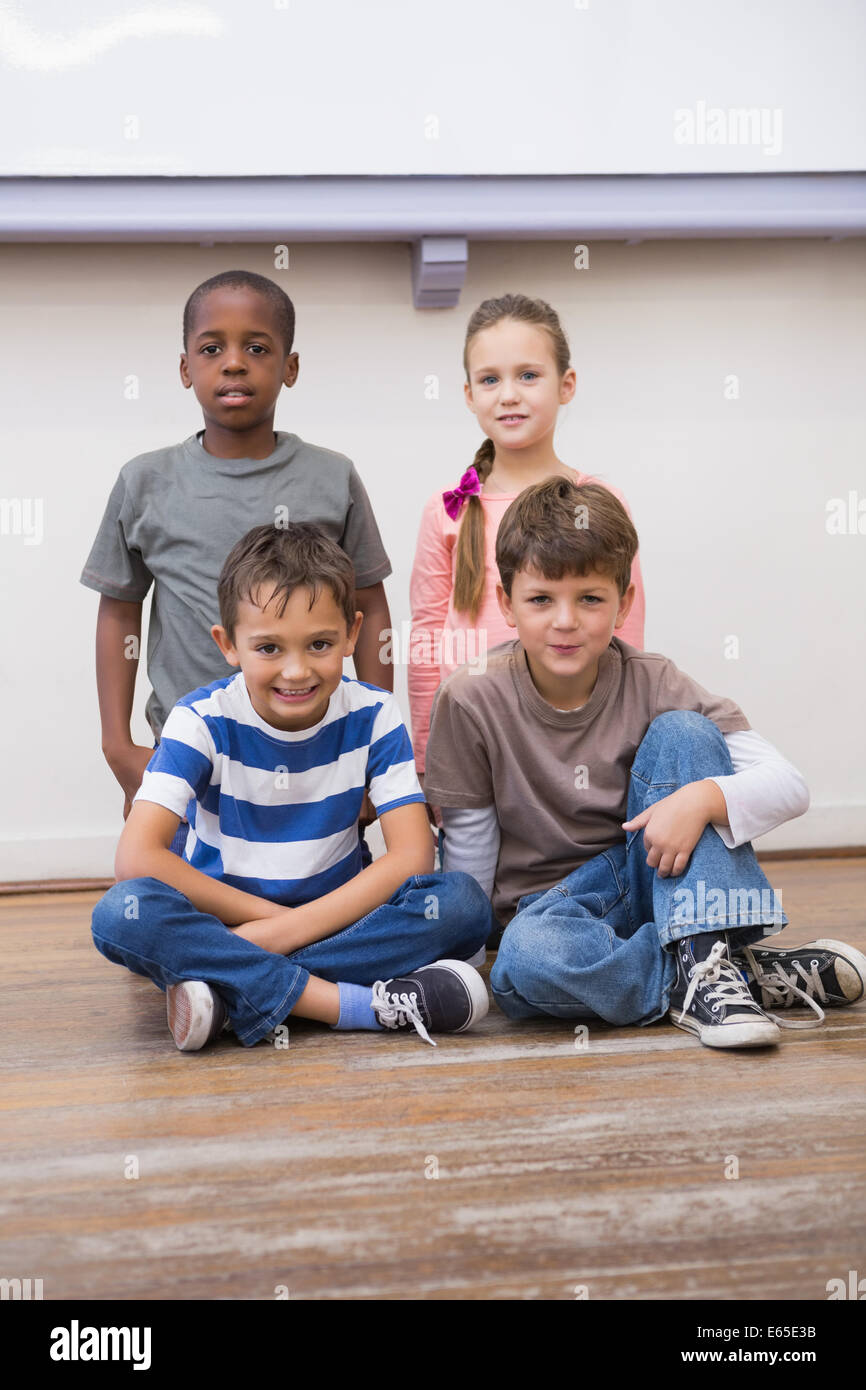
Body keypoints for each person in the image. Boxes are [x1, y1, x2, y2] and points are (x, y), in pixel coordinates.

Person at [423, 477, 866, 1049]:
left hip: (653, 877)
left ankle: (705, 958)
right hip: (549, 916)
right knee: (525, 961)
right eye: (540, 599)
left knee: (687, 733)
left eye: (589, 598)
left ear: (623, 602)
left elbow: (790, 785)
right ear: (506, 603)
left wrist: (702, 797)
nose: (565, 621)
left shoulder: (654, 680)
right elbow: (472, 844)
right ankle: (722, 975)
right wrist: (463, 961)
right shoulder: (470, 697)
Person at [90, 523, 493, 1052]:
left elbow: (413, 856)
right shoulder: (200, 719)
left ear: (352, 634)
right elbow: (137, 859)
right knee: (122, 913)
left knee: (462, 904)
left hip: (343, 912)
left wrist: (258, 945)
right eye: (269, 648)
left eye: (320, 644)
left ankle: (224, 983)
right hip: (242, 919)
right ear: (228, 644)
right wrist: (283, 925)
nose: (297, 670)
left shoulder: (374, 714)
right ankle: (354, 1006)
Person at [80, 269, 393, 855]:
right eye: (211, 348)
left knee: (330, 895)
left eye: (256, 347)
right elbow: (118, 614)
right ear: (185, 368)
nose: (233, 362)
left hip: (318, 750)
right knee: (159, 909)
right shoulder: (145, 481)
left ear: (289, 368)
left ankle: (290, 939)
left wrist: (375, 745)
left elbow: (370, 607)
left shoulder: (332, 477)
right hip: (190, 755)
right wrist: (116, 747)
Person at [408, 292, 645, 779]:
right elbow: (427, 638)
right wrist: (426, 752)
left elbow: (626, 629)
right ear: (470, 394)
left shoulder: (601, 502)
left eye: (528, 375)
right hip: (474, 736)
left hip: (576, 731)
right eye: (490, 379)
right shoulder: (448, 510)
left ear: (567, 384)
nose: (509, 394)